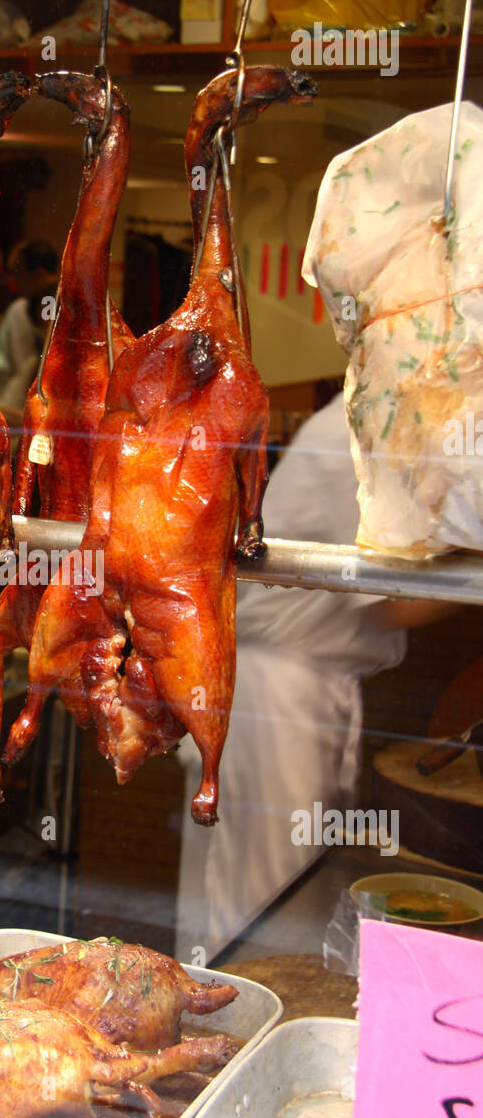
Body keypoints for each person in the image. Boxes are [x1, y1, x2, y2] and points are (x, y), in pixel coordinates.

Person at [175, 390, 460, 962]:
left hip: (300, 692)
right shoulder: (359, 441)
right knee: (259, 916)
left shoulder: (383, 432)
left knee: (280, 903)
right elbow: (396, 605)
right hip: (272, 699)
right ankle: (240, 1039)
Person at [0, 240, 59, 414]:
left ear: (39, 274)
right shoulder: (41, 300)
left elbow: (48, 347)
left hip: (43, 398)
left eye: (17, 273)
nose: (13, 281)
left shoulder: (49, 299)